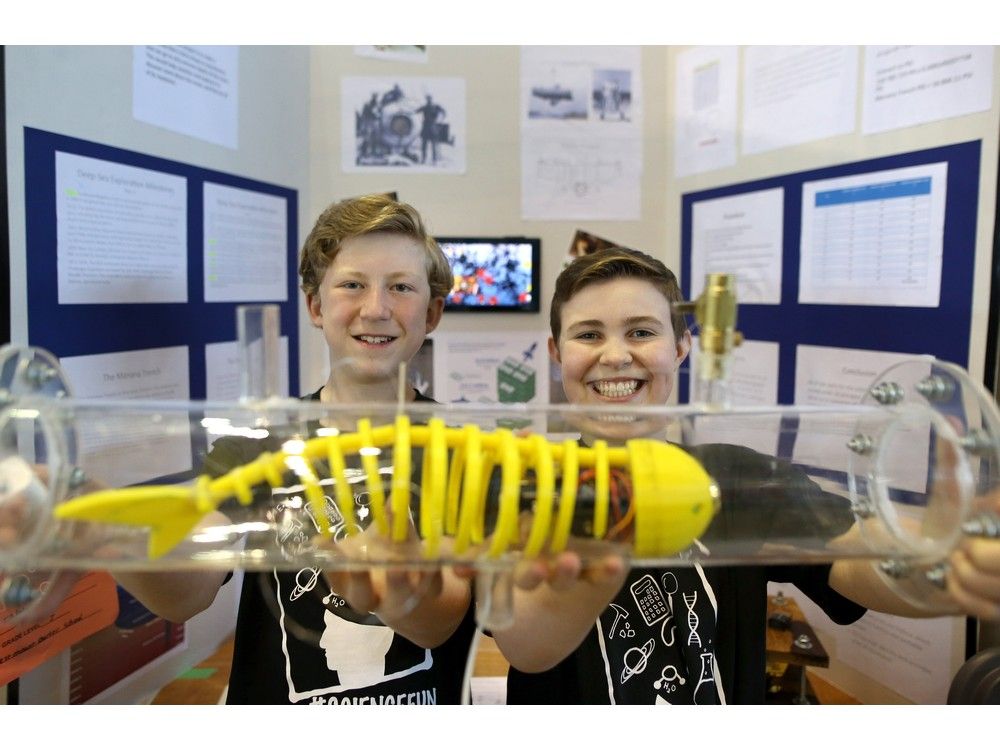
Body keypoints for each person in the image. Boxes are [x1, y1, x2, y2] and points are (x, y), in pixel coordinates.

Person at [493, 246, 1000, 704]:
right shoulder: (528, 486)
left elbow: (853, 557)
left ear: (682, 346)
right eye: (588, 334)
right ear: (558, 354)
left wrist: (940, 562)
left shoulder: (735, 477)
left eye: (642, 331)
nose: (616, 355)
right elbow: (522, 644)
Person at [114, 194, 476, 704]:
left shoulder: (468, 453)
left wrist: (397, 584)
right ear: (315, 305)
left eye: (401, 287)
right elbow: (184, 593)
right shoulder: (258, 451)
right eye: (352, 285)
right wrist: (104, 534)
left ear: (432, 312)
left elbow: (445, 621)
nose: (376, 309)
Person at [416, 95, 447, 165]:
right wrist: (441, 118)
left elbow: (416, 111)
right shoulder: (432, 107)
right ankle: (427, 159)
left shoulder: (431, 107)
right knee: (426, 145)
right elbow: (417, 111)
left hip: (430, 127)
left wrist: (441, 119)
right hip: (430, 127)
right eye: (428, 99)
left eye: (429, 99)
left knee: (429, 145)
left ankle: (432, 160)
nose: (428, 101)